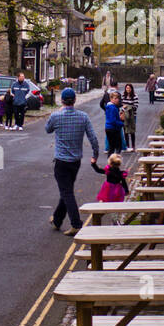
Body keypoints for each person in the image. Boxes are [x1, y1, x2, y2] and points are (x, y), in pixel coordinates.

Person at [45, 86, 100, 234]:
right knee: (66, 190)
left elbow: (47, 129)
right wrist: (95, 154)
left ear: (62, 100)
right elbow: (93, 138)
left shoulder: (56, 116)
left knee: (67, 192)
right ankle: (57, 220)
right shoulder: (83, 117)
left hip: (61, 161)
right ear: (75, 100)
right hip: (75, 161)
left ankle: (76, 224)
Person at [120, 83, 138, 152]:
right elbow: (120, 105)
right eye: (127, 88)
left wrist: (127, 107)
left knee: (132, 131)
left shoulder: (135, 96)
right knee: (125, 131)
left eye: (129, 88)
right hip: (124, 116)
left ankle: (133, 146)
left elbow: (136, 106)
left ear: (131, 89)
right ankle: (127, 146)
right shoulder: (123, 96)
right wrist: (123, 108)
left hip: (132, 116)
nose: (128, 89)